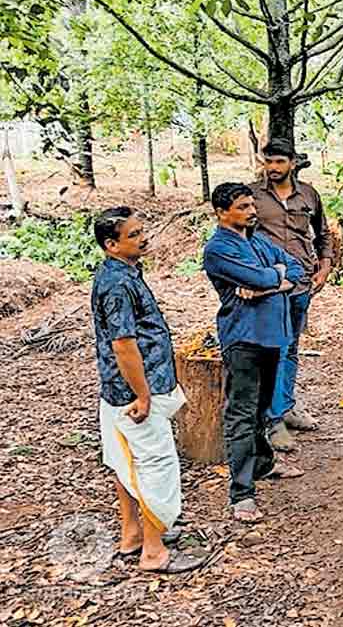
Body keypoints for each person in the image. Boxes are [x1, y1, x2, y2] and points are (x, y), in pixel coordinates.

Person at [90, 207, 204, 574]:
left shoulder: (119, 273)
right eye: (134, 234)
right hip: (136, 393)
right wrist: (142, 394)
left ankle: (133, 534)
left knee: (126, 464)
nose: (144, 237)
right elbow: (123, 344)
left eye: (143, 230)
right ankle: (154, 552)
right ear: (111, 244)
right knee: (155, 466)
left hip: (120, 389)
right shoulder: (118, 284)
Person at [203, 183, 306, 523]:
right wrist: (270, 279)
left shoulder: (256, 240)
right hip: (244, 340)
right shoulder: (219, 249)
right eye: (243, 207)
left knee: (262, 407)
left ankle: (263, 464)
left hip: (273, 336)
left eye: (251, 205)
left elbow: (293, 267)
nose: (252, 211)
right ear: (221, 212)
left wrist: (272, 281)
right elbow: (259, 276)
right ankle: (241, 493)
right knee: (242, 414)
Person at [248, 138, 333, 451]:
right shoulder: (252, 195)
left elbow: (322, 233)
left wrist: (324, 267)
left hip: (301, 284)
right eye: (268, 161)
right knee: (274, 349)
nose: (272, 168)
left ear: (293, 163)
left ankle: (287, 404)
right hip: (268, 285)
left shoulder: (308, 194)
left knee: (292, 346)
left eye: (279, 162)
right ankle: (273, 420)